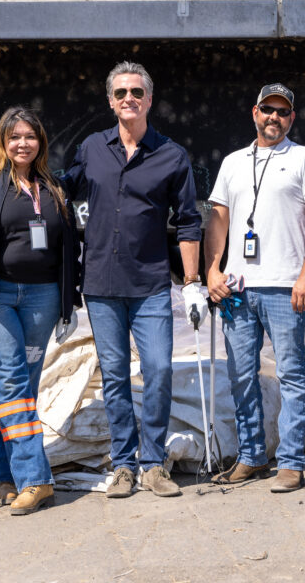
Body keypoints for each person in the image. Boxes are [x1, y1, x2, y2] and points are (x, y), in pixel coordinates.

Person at [63, 62, 206, 499]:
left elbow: (187, 221)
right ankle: (124, 465)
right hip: (102, 286)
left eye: (137, 92)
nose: (129, 98)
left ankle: (152, 463)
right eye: (121, 92)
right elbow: (62, 192)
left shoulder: (171, 155)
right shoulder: (92, 148)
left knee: (159, 369)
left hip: (149, 286)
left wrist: (194, 281)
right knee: (115, 377)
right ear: (110, 101)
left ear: (148, 100)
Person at [0, 107, 82, 516]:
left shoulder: (52, 185)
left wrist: (68, 300)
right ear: (2, 141)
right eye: (15, 137)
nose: (23, 143)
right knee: (10, 382)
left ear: (41, 141)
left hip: (42, 298)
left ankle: (4, 476)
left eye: (31, 136)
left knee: (24, 387)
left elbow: (68, 244)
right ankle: (36, 480)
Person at [205, 83, 305, 493]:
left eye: (282, 111)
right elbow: (219, 220)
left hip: (285, 287)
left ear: (291, 118)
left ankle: (291, 462)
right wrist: (212, 270)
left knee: (292, 375)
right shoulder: (232, 162)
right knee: (241, 375)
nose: (274, 117)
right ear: (254, 113)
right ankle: (251, 456)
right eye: (267, 109)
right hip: (238, 289)